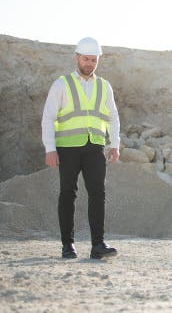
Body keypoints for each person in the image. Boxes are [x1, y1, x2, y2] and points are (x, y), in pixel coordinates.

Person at [41, 37, 120, 259]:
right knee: (68, 193)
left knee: (98, 193)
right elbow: (48, 118)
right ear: (77, 57)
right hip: (67, 148)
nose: (89, 63)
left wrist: (115, 145)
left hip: (95, 147)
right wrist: (50, 148)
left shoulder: (104, 86)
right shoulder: (61, 84)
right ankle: (68, 245)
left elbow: (113, 117)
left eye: (93, 60)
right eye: (86, 59)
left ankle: (98, 245)